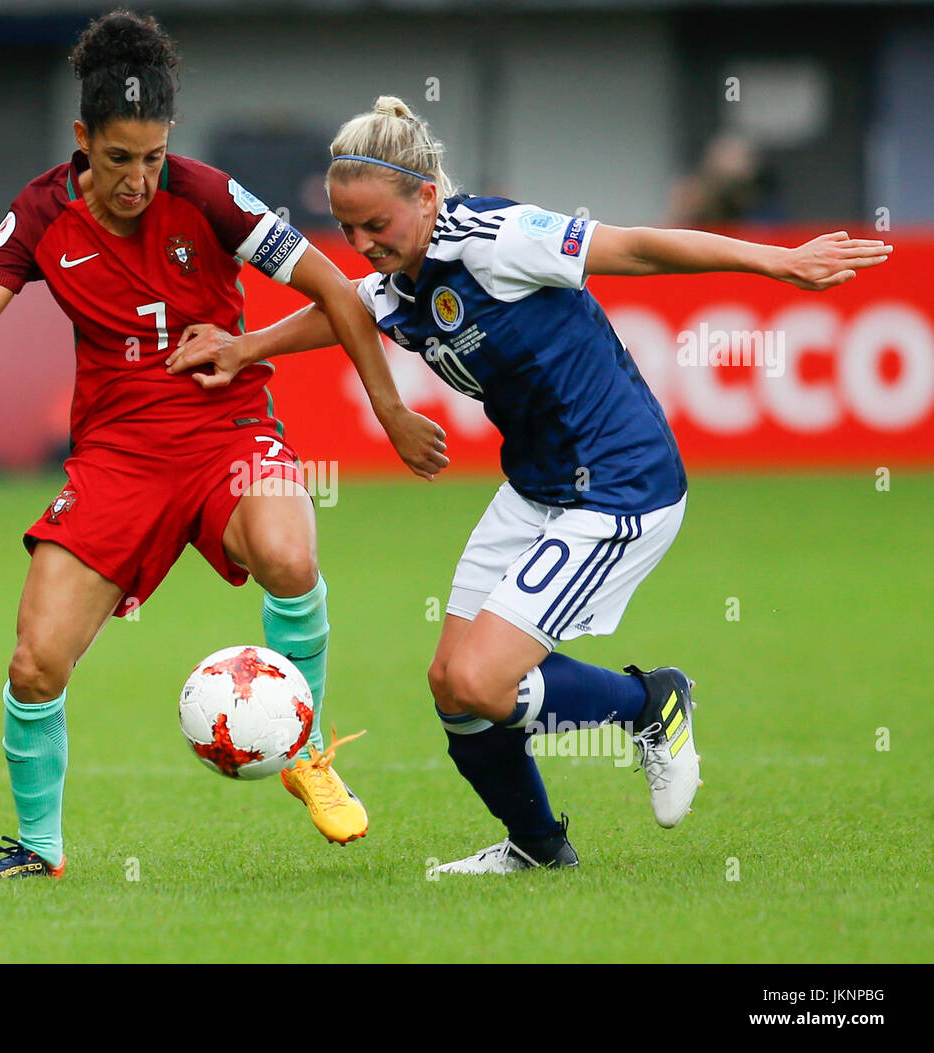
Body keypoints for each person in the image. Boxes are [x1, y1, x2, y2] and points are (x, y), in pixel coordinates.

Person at [167, 95, 890, 873]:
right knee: (451, 684)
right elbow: (348, 310)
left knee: (483, 679)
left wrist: (773, 261)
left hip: (619, 483)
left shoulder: (497, 237)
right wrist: (246, 348)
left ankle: (652, 703)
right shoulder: (404, 276)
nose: (362, 243)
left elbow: (637, 247)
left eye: (377, 224)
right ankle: (539, 847)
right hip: (537, 486)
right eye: (347, 228)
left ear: (428, 195)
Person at [0, 22, 447, 878]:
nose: (139, 179)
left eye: (151, 157)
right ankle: (40, 850)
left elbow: (335, 287)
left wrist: (391, 409)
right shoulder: (40, 213)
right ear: (82, 142)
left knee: (290, 556)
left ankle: (306, 749)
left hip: (229, 433)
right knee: (35, 664)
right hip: (117, 458)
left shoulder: (210, 194)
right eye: (117, 159)